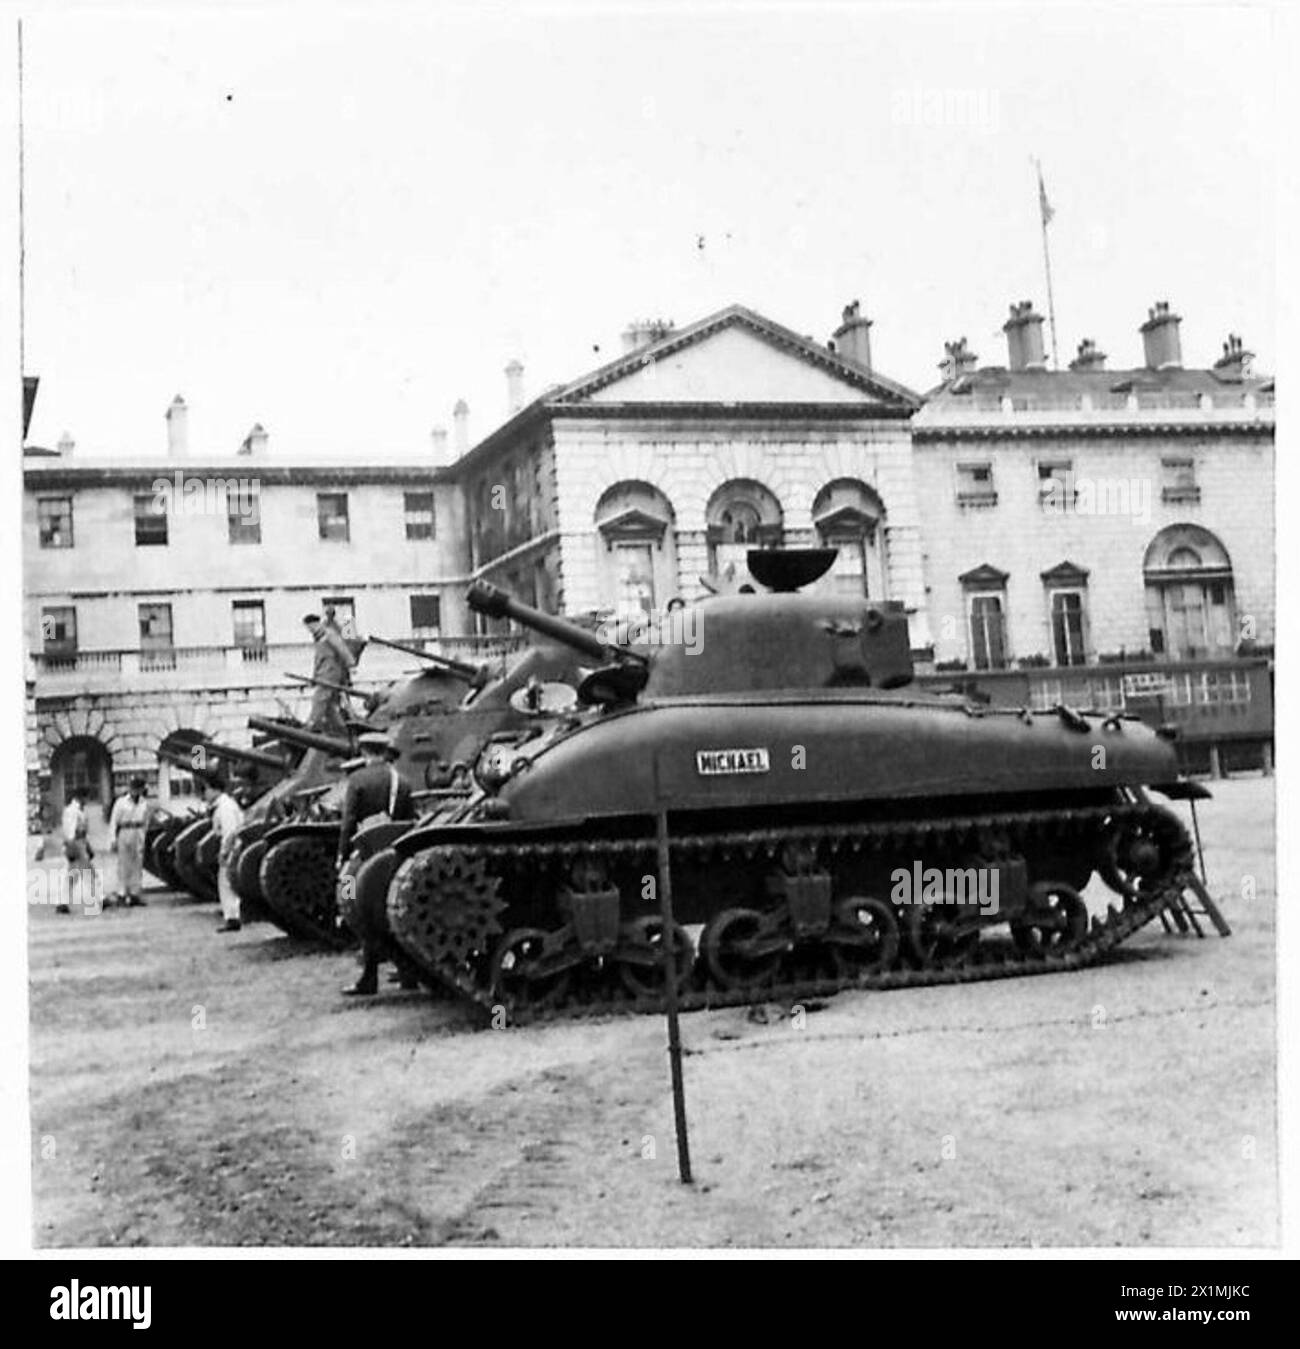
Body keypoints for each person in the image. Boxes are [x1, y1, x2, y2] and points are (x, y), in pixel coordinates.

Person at [337, 731, 415, 996]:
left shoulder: (357, 780)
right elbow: (409, 819)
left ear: (364, 753)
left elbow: (348, 822)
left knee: (356, 907)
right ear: (385, 752)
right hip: (394, 854)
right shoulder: (401, 781)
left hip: (365, 854)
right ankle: (408, 973)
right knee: (395, 909)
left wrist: (341, 855)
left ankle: (368, 978)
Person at [203, 772, 246, 933]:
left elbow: (229, 832)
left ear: (215, 790)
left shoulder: (225, 807)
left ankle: (233, 917)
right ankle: (231, 915)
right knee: (226, 882)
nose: (205, 794)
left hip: (231, 847)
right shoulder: (224, 805)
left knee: (227, 882)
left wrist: (224, 852)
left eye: (207, 790)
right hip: (231, 845)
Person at [302, 612, 357, 733]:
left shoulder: (328, 634)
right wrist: (314, 677)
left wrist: (351, 664)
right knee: (329, 706)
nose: (308, 630)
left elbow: (341, 647)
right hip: (323, 673)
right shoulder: (318, 637)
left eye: (309, 627)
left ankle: (311, 726)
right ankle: (342, 729)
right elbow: (318, 660)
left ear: (314, 624)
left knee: (319, 699)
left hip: (330, 673)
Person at [108, 776, 152, 908]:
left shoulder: (144, 803)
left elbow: (146, 820)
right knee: (124, 865)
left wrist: (144, 835)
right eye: (134, 788)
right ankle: (122, 894)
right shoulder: (121, 802)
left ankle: (134, 894)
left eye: (139, 789)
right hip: (125, 830)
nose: (136, 791)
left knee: (137, 865)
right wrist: (113, 839)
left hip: (138, 831)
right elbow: (113, 821)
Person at [59, 791, 95, 914]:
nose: (86, 800)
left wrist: (88, 846)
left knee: (73, 875)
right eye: (85, 797)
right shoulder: (72, 811)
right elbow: (70, 831)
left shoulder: (80, 810)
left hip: (81, 842)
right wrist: (71, 848)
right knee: (88, 873)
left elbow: (84, 831)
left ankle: (63, 902)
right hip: (75, 843)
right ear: (79, 797)